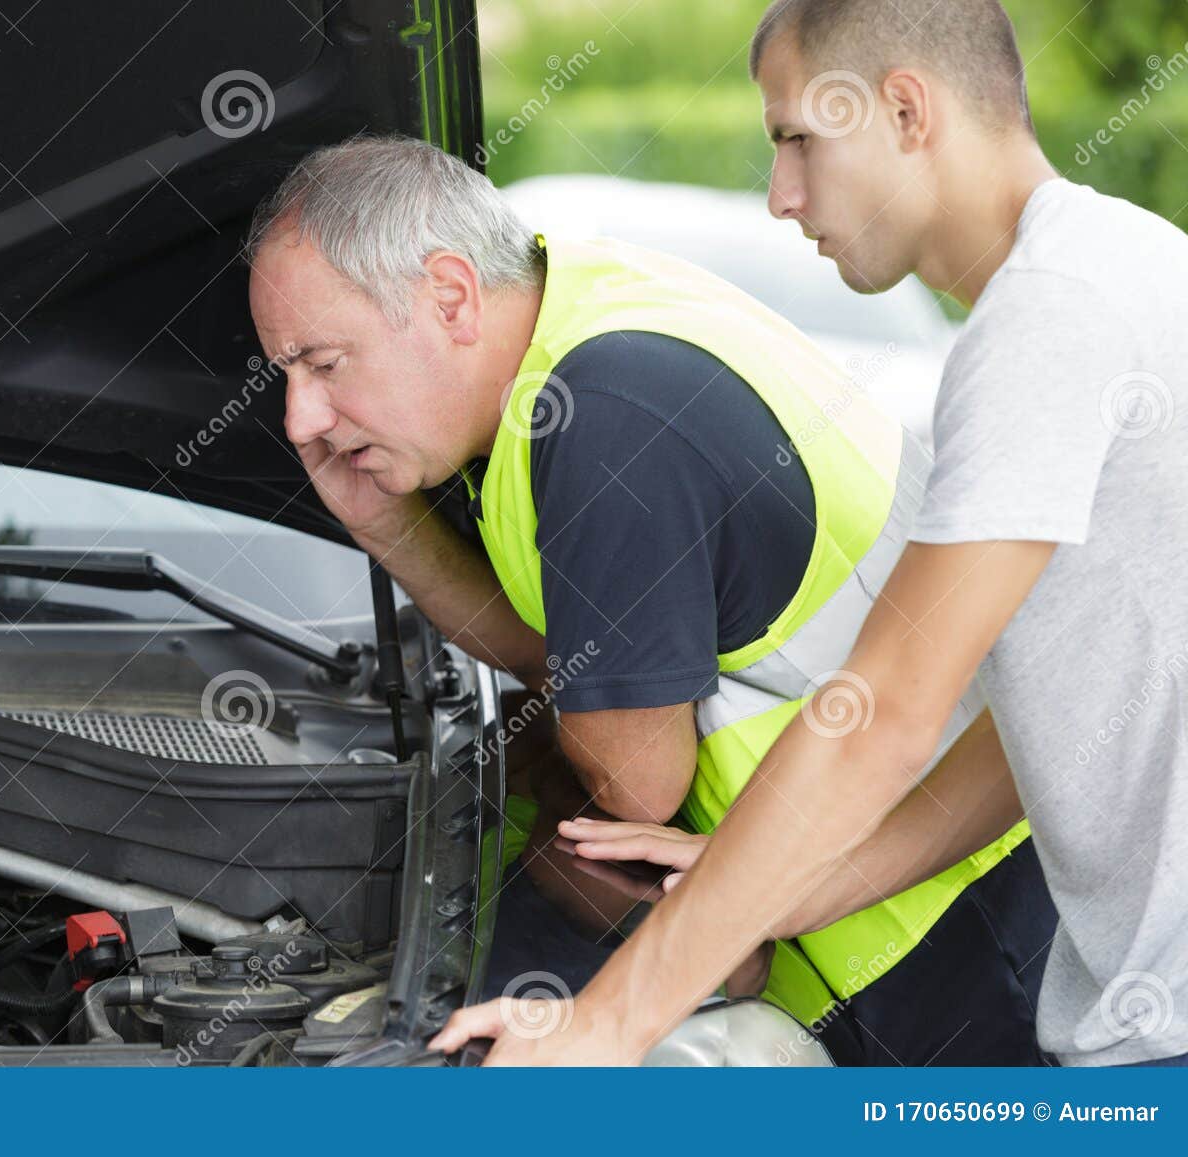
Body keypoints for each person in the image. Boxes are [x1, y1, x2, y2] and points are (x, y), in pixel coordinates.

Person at [433, 0, 1188, 1068]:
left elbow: (877, 711)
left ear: (905, 109)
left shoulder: (1048, 320)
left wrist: (603, 1023)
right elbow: (1035, 734)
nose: (782, 196)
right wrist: (789, 887)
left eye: (796, 139)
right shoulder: (1124, 263)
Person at [245, 132, 1053, 1065]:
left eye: (325, 364)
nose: (299, 417)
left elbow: (636, 779)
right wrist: (384, 524)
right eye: (287, 376)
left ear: (452, 295)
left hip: (959, 933)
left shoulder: (606, 418)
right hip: (860, 904)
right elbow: (580, 667)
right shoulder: (578, 322)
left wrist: (553, 750)